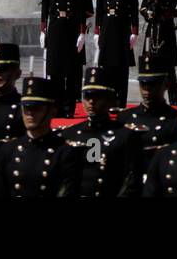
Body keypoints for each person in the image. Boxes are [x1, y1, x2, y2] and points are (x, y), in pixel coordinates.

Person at [0, 75, 82, 197]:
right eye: (26, 107)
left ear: (52, 111)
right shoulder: (8, 150)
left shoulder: (64, 153)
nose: (30, 113)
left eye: (36, 108)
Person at [60, 66, 143, 197]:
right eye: (87, 96)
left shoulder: (124, 136)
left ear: (109, 99)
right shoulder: (70, 134)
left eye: (97, 96)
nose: (91, 102)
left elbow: (131, 181)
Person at [42, 0, 91, 118]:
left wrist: (82, 33)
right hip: (56, 28)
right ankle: (57, 107)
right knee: (55, 70)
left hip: (71, 28)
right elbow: (45, 9)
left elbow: (82, 11)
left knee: (71, 71)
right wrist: (43, 30)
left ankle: (69, 108)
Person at [94, 0, 140, 107]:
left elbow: (134, 10)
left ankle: (121, 103)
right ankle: (108, 100)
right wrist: (97, 32)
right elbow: (99, 11)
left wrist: (134, 32)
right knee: (107, 68)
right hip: (107, 30)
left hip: (122, 30)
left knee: (122, 68)